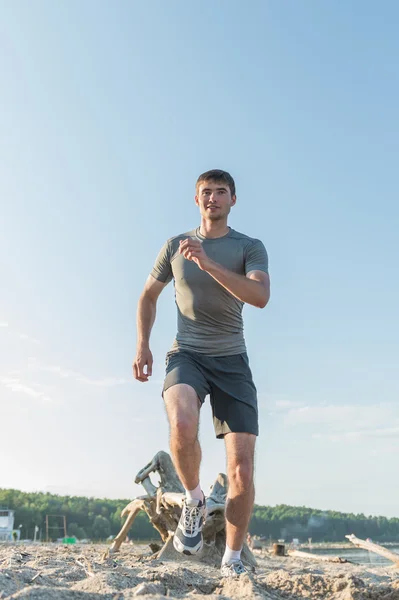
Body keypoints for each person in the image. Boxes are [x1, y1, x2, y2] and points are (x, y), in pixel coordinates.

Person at [133, 169, 270, 578]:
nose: (212, 198)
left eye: (221, 192)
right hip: (186, 354)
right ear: (197, 200)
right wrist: (142, 343)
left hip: (232, 362)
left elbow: (260, 296)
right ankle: (193, 499)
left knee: (242, 469)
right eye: (205, 192)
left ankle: (231, 558)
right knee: (182, 421)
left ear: (233, 200)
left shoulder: (249, 247)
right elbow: (148, 295)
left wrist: (208, 264)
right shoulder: (175, 245)